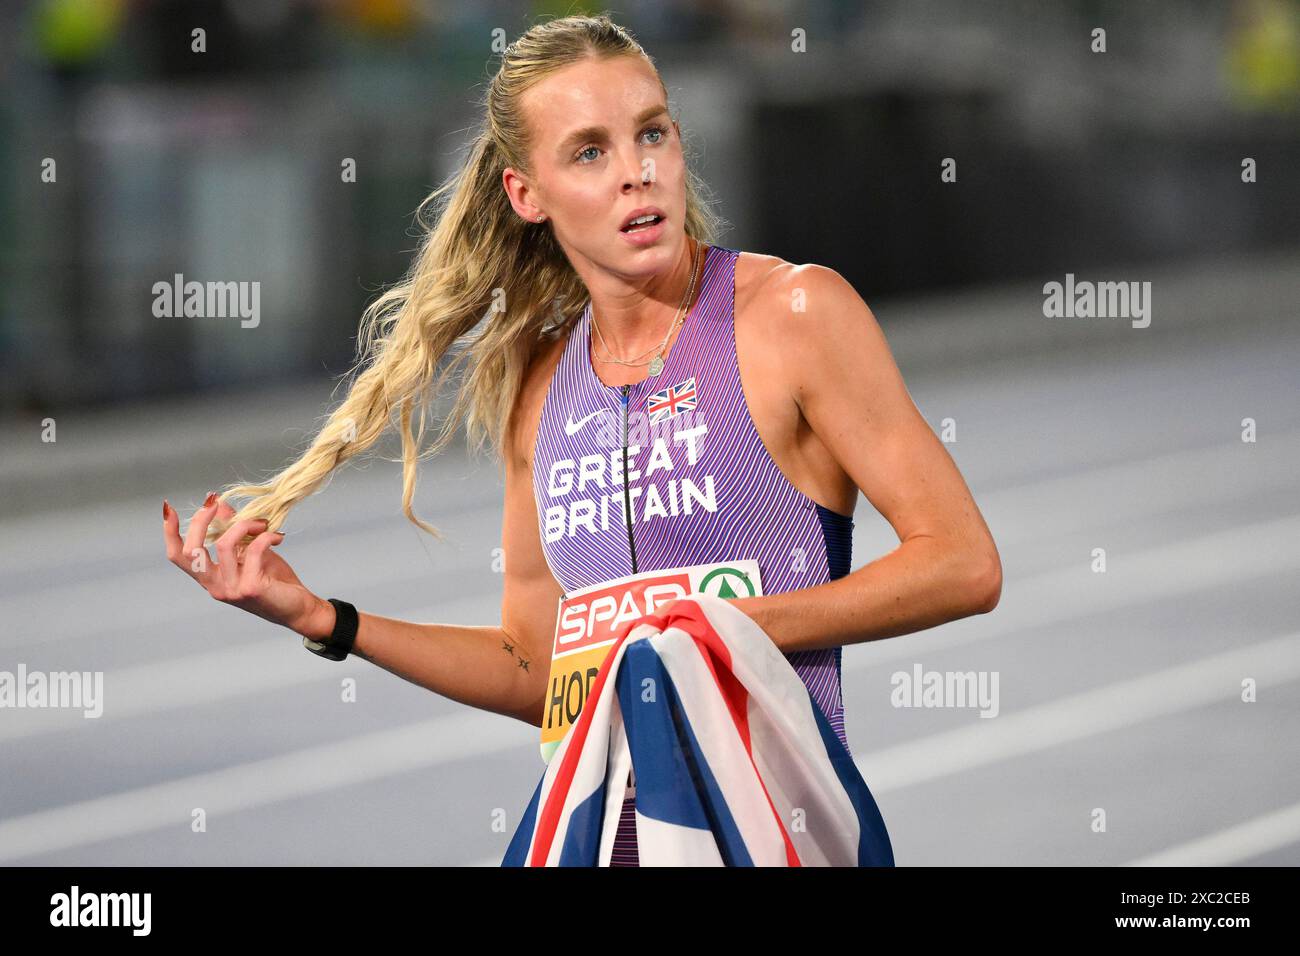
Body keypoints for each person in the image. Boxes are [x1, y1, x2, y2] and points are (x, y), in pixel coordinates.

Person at [160, 13, 1001, 866]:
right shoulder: (541, 387)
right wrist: (325, 619)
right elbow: (538, 670)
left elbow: (962, 563)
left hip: (775, 837)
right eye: (590, 152)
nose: (638, 173)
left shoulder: (794, 316)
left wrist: (724, 629)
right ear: (528, 194)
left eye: (653, 134)